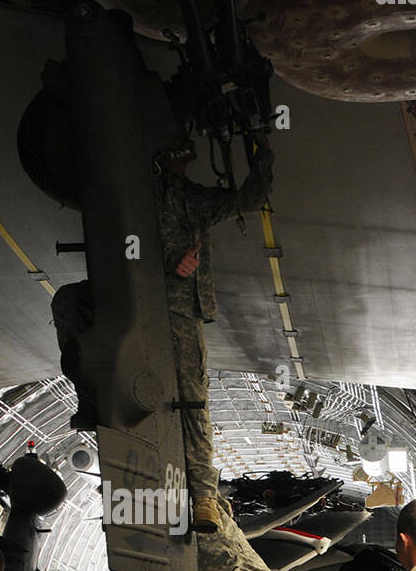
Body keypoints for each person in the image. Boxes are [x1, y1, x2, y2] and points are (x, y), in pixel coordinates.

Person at [52, 132, 273, 533]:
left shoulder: (188, 198)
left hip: (175, 308)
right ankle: (89, 396)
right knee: (68, 303)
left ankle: (204, 495)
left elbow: (249, 199)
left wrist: (262, 152)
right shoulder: (132, 196)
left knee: (191, 397)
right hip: (130, 296)